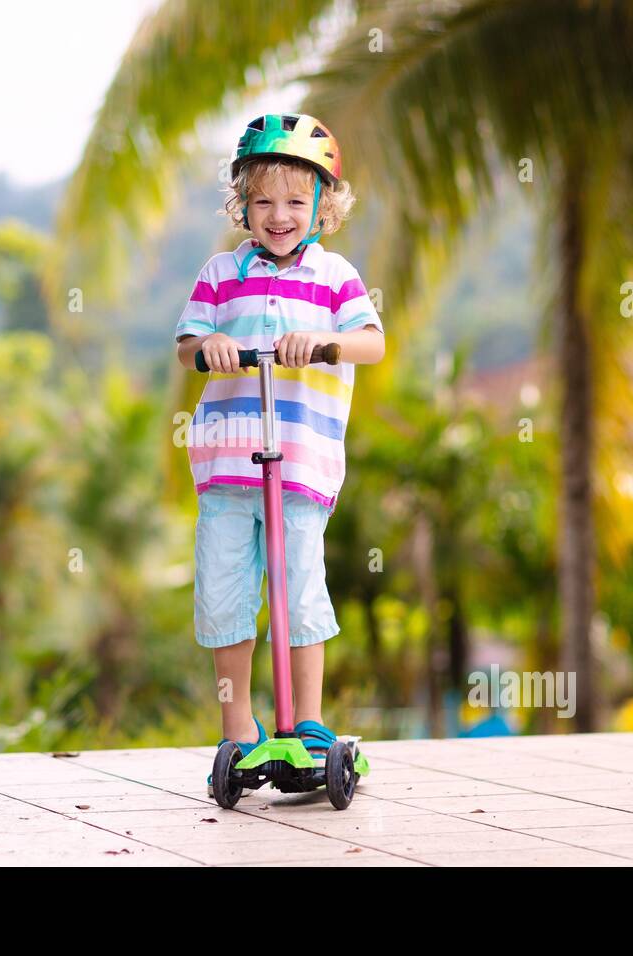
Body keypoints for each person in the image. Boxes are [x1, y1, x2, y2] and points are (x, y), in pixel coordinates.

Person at [173, 113, 385, 778]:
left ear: (324, 204)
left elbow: (371, 342)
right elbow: (188, 346)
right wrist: (207, 345)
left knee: (297, 587)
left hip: (300, 463)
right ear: (242, 204)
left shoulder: (334, 276)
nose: (279, 214)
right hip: (228, 465)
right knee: (223, 591)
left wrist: (323, 343)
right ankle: (239, 726)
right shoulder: (219, 272)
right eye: (263, 199)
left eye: (296, 200)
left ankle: (308, 722)